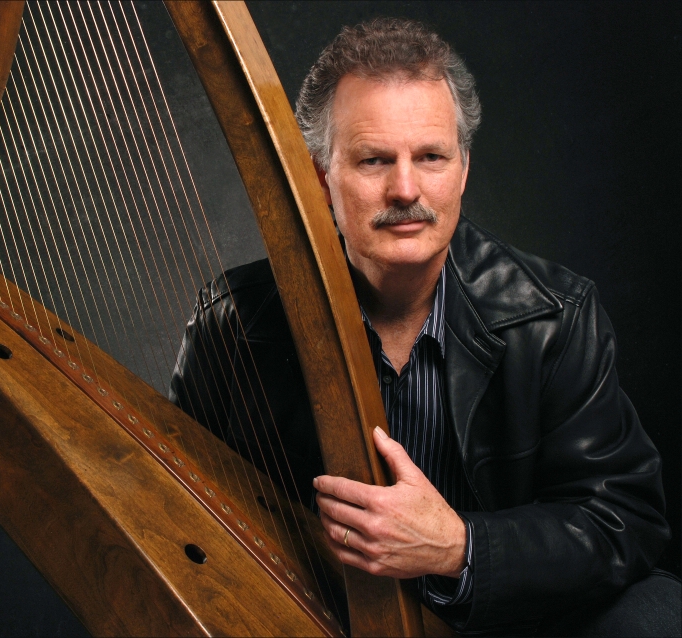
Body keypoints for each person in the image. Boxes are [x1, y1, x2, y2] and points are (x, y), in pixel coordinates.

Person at [169, 17, 677, 636]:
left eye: (431, 156)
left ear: (462, 168)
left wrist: (461, 547)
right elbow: (180, 510)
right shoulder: (234, 323)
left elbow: (625, 521)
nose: (405, 188)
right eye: (373, 159)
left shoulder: (554, 318)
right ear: (320, 179)